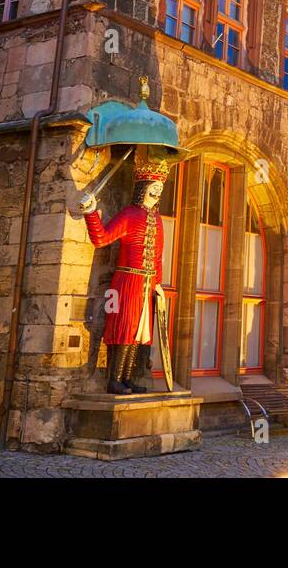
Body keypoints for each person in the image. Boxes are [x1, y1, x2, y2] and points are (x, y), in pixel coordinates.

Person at [80, 152, 169, 395]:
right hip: (127, 280)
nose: (157, 192)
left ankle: (127, 378)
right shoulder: (129, 214)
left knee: (139, 334)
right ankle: (114, 379)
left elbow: (157, 256)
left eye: (160, 188)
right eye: (154, 186)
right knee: (124, 330)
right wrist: (91, 213)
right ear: (143, 187)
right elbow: (102, 238)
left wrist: (158, 283)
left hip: (147, 283)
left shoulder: (157, 219)